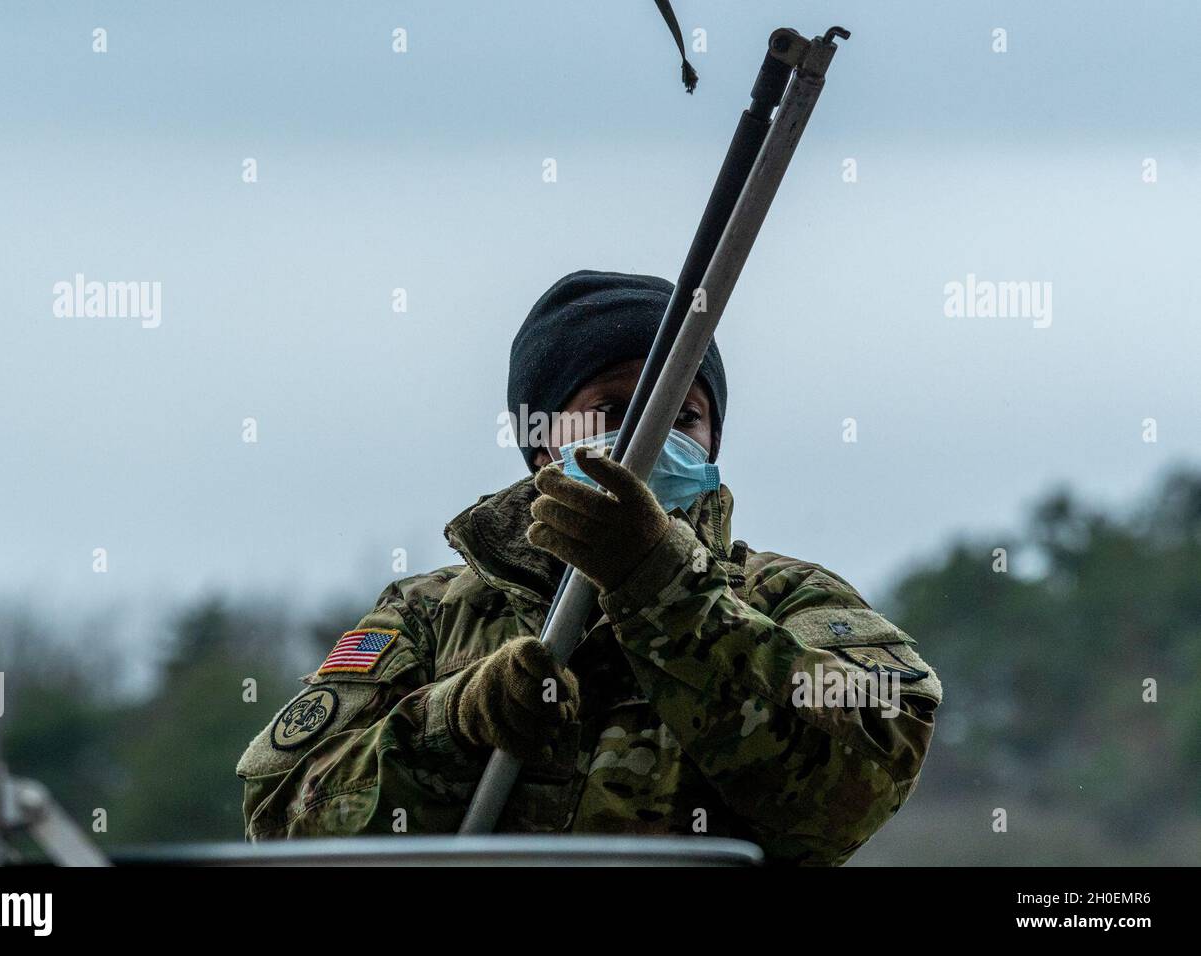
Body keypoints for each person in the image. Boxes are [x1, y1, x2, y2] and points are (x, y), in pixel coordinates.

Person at [237, 270, 941, 864]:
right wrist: (453, 723)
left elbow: (866, 777)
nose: (652, 433)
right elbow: (281, 827)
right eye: (612, 407)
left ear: (713, 439)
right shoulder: (431, 617)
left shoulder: (785, 598)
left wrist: (663, 589)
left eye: (684, 414)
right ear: (541, 441)